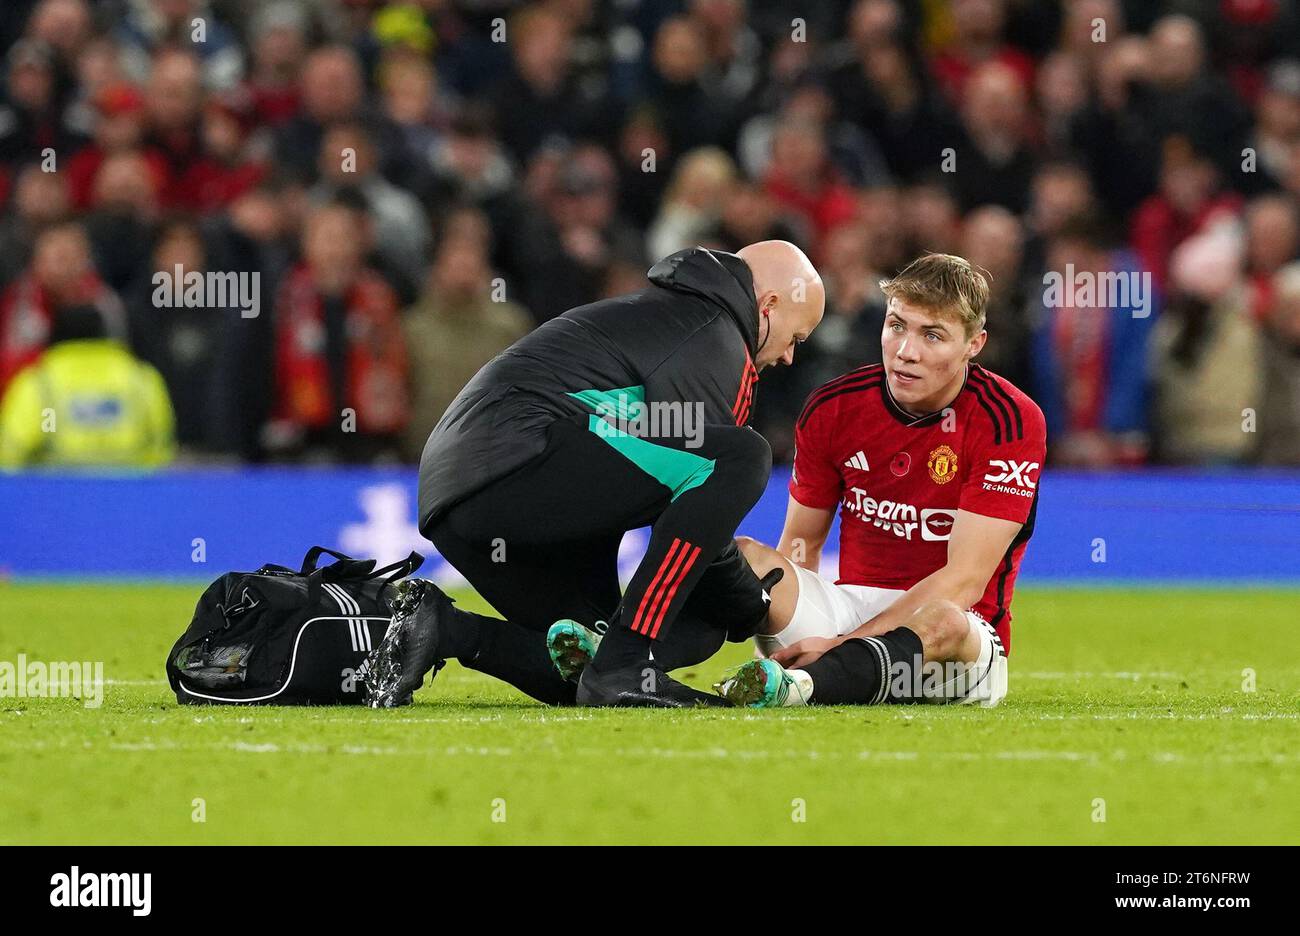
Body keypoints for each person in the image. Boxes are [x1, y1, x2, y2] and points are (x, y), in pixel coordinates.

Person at [359, 241, 825, 708]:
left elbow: (670, 479)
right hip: (514, 464)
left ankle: (449, 629)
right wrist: (750, 602)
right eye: (797, 339)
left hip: (460, 496)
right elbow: (705, 483)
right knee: (743, 455)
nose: (788, 358)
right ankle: (623, 666)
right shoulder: (715, 335)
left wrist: (736, 601)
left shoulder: (674, 317)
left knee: (590, 659)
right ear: (767, 307)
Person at [712, 253, 1046, 708]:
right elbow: (799, 548)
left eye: (932, 335)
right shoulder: (834, 407)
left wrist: (843, 648)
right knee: (748, 562)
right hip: (846, 614)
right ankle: (628, 655)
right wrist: (780, 625)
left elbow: (964, 581)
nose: (907, 351)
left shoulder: (1009, 420)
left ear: (974, 343)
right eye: (897, 326)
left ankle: (812, 684)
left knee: (945, 620)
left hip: (948, 647)